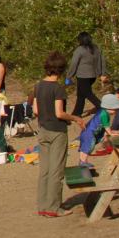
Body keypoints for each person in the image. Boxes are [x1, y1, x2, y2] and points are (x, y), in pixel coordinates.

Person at [33, 51, 77, 217]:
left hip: (43, 130)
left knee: (44, 169)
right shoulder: (58, 88)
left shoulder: (38, 86)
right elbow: (60, 113)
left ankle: (43, 205)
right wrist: (74, 118)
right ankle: (54, 207)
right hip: (57, 131)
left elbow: (35, 110)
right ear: (61, 69)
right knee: (56, 171)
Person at [67, 32, 109, 117]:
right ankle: (76, 113)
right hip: (93, 76)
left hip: (83, 76)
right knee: (81, 95)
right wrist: (102, 73)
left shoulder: (79, 50)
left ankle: (102, 108)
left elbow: (74, 63)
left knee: (87, 93)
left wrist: (69, 76)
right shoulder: (96, 48)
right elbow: (102, 61)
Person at [75, 93, 119, 168]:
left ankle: (82, 161)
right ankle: (83, 162)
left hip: (87, 132)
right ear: (109, 107)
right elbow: (106, 125)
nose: (115, 112)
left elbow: (103, 126)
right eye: (115, 110)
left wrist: (108, 132)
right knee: (87, 147)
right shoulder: (104, 114)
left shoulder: (103, 111)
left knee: (85, 147)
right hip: (89, 133)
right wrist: (110, 133)